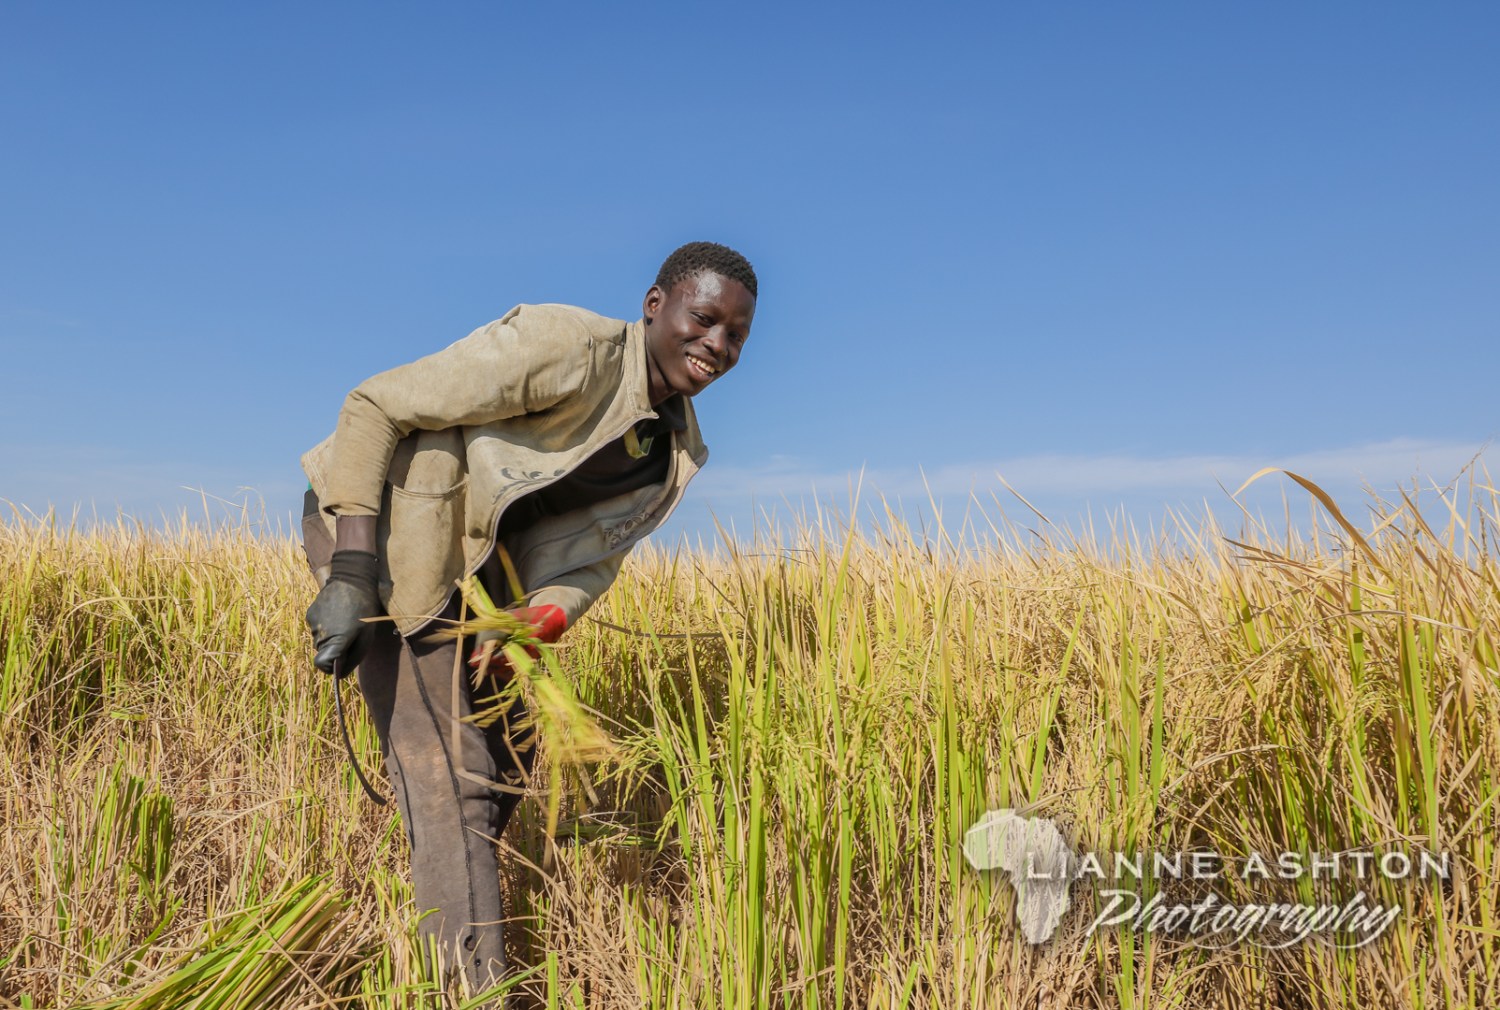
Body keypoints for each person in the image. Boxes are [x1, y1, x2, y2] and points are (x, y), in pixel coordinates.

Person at [298, 242, 757, 994]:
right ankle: (470, 987)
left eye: (736, 334)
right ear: (655, 305)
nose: (717, 345)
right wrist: (350, 570)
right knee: (452, 774)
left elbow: (598, 559)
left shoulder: (676, 448)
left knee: (508, 759)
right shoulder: (565, 347)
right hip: (387, 533)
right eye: (703, 319)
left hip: (478, 580)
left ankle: (436, 907)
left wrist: (541, 619)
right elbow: (374, 404)